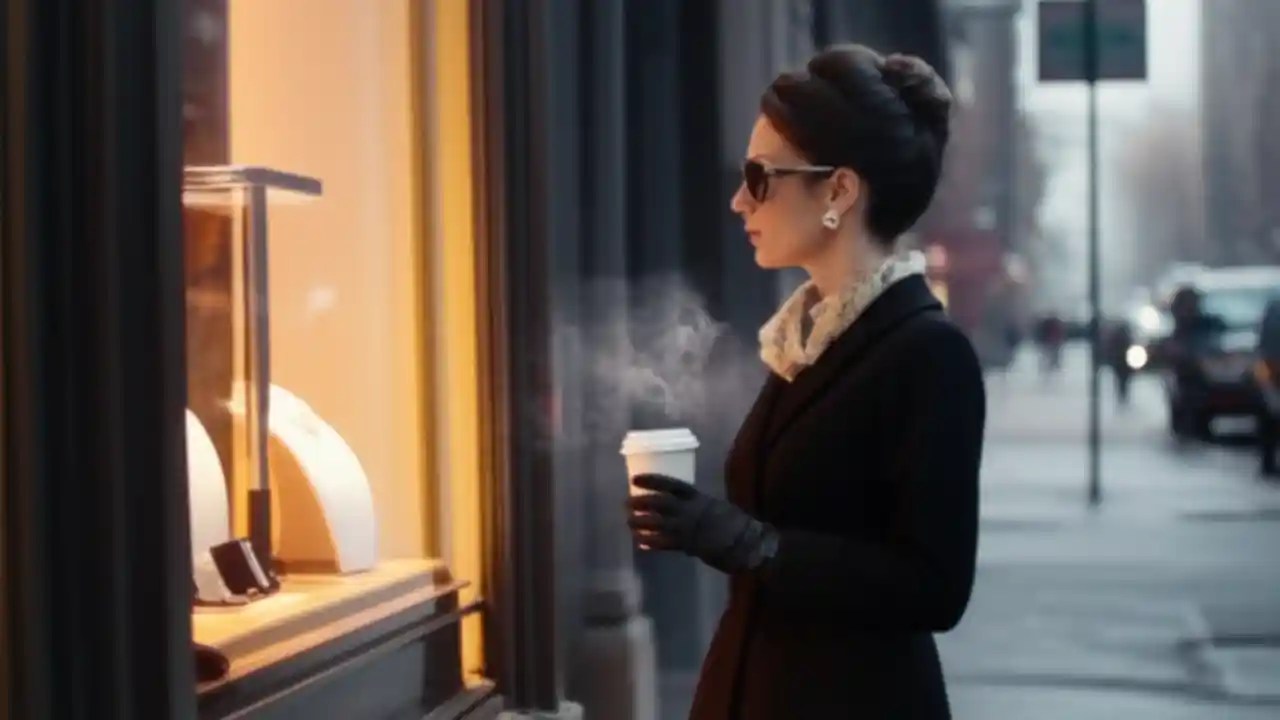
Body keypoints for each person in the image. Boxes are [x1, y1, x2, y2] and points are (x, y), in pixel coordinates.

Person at [626, 45, 985, 719]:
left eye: (761, 177)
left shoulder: (929, 355)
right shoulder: (803, 343)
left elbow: (935, 587)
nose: (738, 200)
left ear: (839, 192)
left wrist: (750, 543)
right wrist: (699, 524)